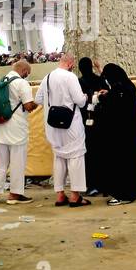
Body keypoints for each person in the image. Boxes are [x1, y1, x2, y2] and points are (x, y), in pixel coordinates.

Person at [35, 53, 92, 206]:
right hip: (71, 124)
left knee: (59, 157)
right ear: (70, 64)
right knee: (76, 156)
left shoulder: (47, 77)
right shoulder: (70, 77)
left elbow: (38, 99)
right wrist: (86, 97)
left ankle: (60, 195)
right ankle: (75, 196)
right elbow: (80, 101)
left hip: (52, 125)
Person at [93, 63, 136, 205]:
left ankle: (124, 194)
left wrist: (101, 98)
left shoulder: (120, 89)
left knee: (122, 165)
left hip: (122, 135)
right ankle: (134, 191)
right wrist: (108, 94)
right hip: (130, 133)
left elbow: (115, 108)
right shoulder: (127, 86)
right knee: (132, 164)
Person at [0, 60, 37, 204]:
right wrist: (37, 102)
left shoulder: (1, 80)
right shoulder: (22, 83)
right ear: (24, 71)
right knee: (17, 162)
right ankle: (14, 194)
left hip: (1, 126)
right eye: (27, 73)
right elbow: (28, 106)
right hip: (17, 128)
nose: (27, 76)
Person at [75, 57, 107, 195]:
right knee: (101, 152)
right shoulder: (99, 80)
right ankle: (102, 183)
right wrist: (100, 69)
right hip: (100, 122)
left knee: (88, 154)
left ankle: (91, 184)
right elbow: (107, 84)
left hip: (84, 123)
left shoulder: (78, 82)